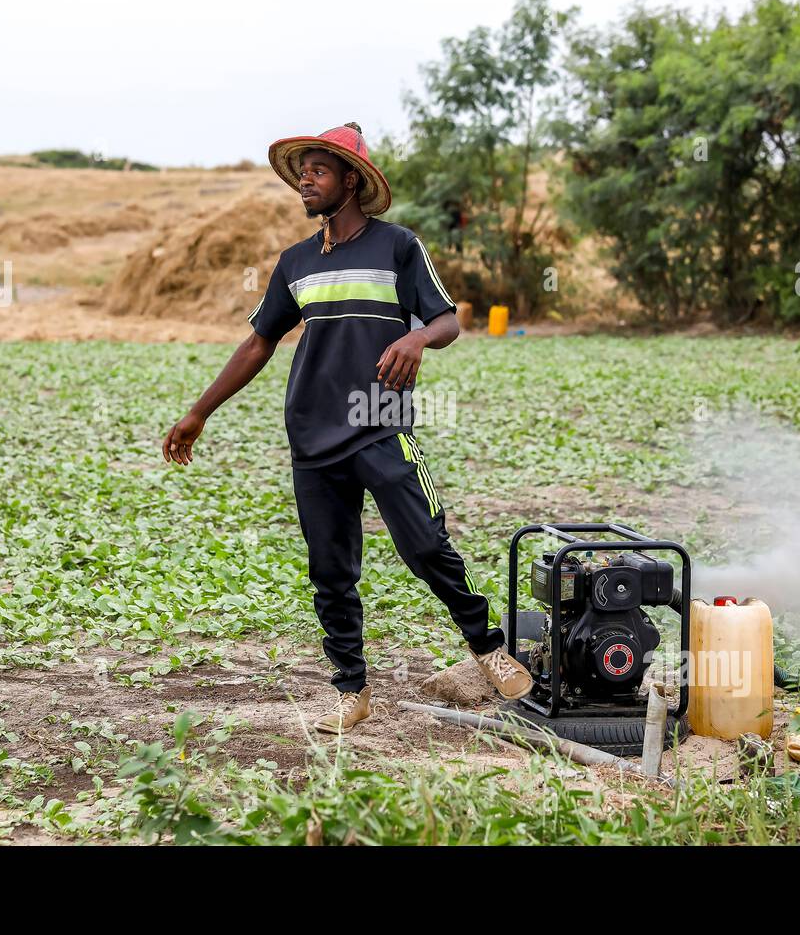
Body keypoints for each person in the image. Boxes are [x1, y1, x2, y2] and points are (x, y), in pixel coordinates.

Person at [162, 122, 531, 734]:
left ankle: (486, 645)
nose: (305, 180)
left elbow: (447, 321)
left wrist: (414, 335)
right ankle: (351, 691)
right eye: (301, 171)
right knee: (330, 571)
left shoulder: (397, 247)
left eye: (318, 171)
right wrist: (199, 411)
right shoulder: (296, 263)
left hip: (379, 423)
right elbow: (259, 343)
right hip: (313, 436)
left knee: (426, 547)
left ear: (351, 180)